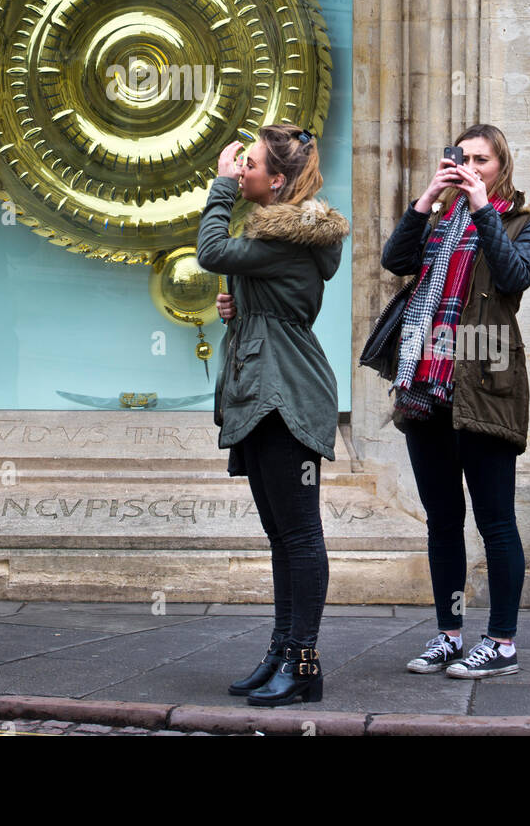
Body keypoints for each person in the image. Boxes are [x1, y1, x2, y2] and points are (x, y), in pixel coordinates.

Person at [380, 124, 530, 678]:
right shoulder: (437, 222)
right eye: (463, 159)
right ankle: (449, 635)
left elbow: (512, 277)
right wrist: (427, 197)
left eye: (483, 160)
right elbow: (394, 260)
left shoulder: (527, 224)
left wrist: (481, 209)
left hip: (483, 386)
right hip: (425, 383)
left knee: (496, 521)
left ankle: (501, 641)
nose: (471, 167)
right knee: (443, 521)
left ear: (502, 166)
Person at [197, 125, 350, 706]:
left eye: (250, 164)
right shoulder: (274, 232)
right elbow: (253, 281)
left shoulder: (288, 234)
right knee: (280, 534)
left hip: (287, 393)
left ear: (276, 180)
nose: (241, 170)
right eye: (240, 165)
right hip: (262, 387)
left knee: (300, 534)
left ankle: (304, 662)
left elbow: (210, 250)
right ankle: (282, 649)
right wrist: (242, 306)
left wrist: (218, 188)